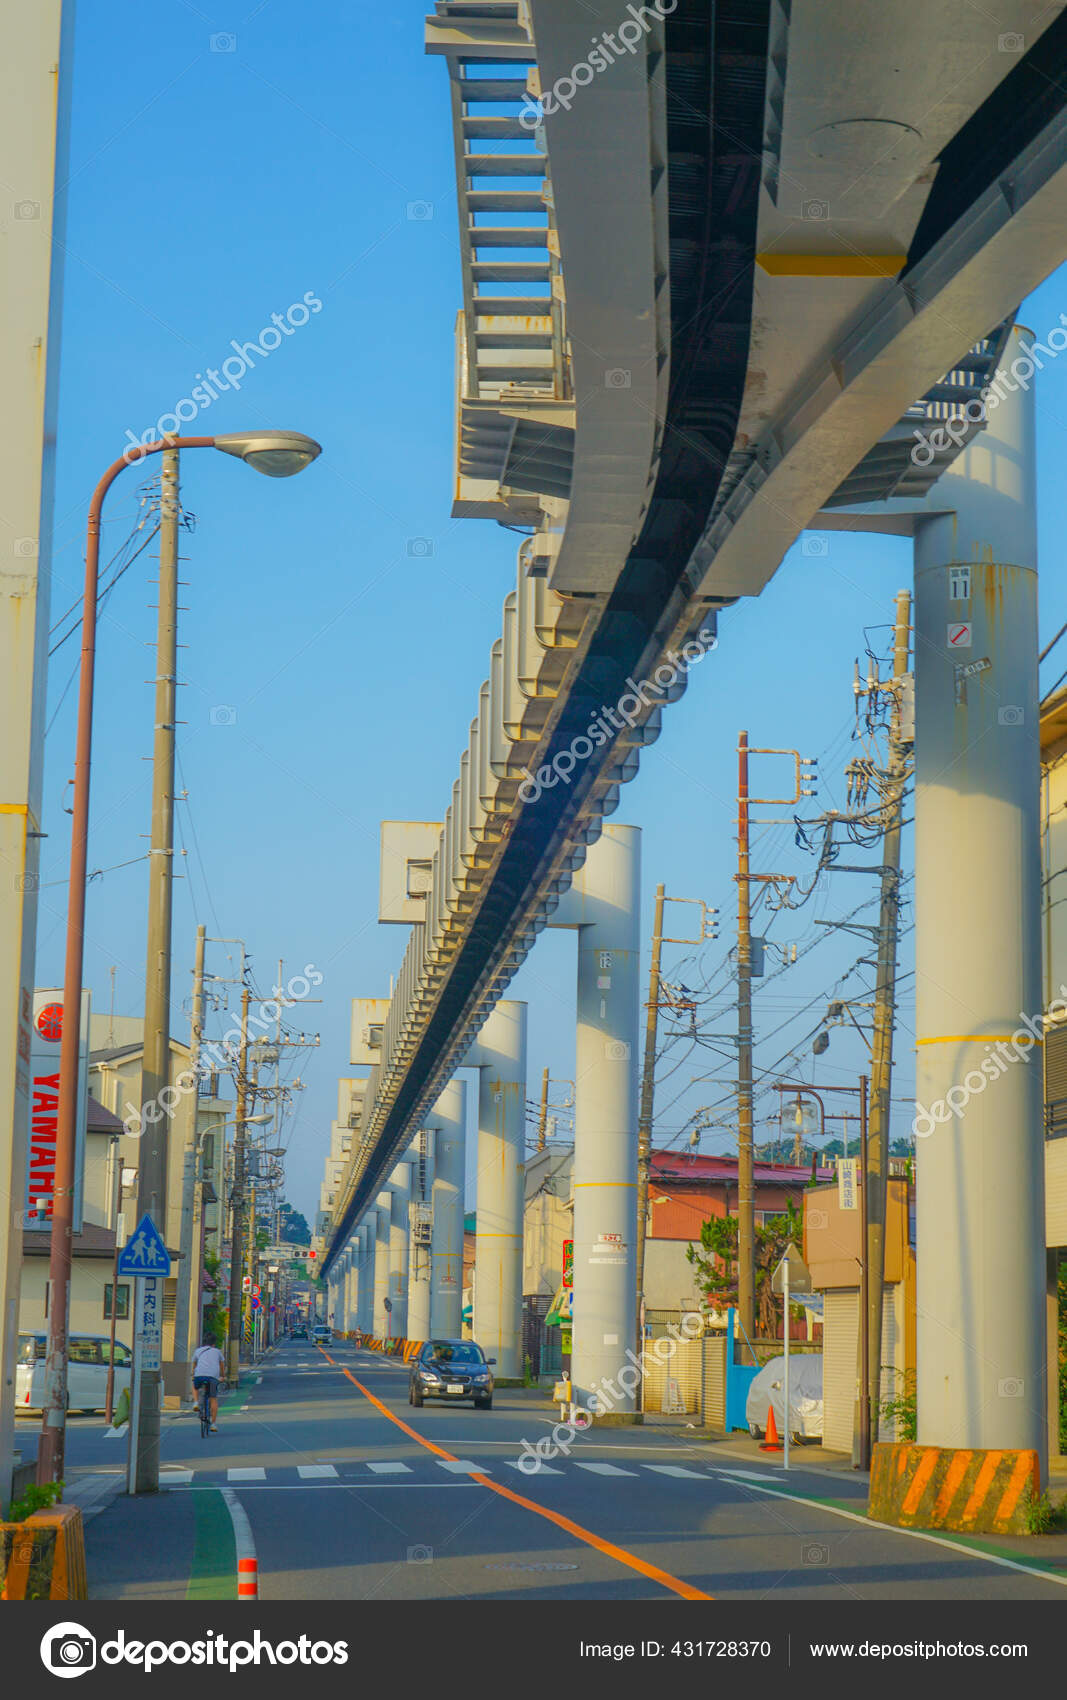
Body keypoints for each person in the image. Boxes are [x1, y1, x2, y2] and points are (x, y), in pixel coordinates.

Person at [191, 1334, 225, 1431]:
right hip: (212, 1377)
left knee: (195, 1385)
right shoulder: (218, 1352)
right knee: (213, 1399)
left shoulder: (198, 1351)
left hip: (199, 1375)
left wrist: (194, 1373)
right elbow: (222, 1365)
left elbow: (194, 1362)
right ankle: (213, 1424)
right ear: (214, 1344)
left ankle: (196, 1402)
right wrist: (222, 1376)